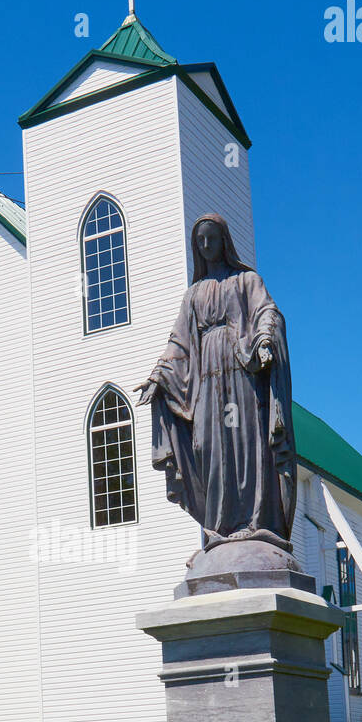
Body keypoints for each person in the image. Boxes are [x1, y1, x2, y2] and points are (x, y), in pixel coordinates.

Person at [135, 214, 296, 547]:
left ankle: (254, 522)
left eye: (211, 239)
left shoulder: (246, 281)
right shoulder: (193, 294)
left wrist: (265, 339)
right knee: (208, 447)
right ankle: (219, 525)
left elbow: (268, 312)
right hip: (206, 379)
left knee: (247, 443)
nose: (206, 245)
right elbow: (178, 342)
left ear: (225, 241)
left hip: (242, 371)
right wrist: (160, 376)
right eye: (200, 241)